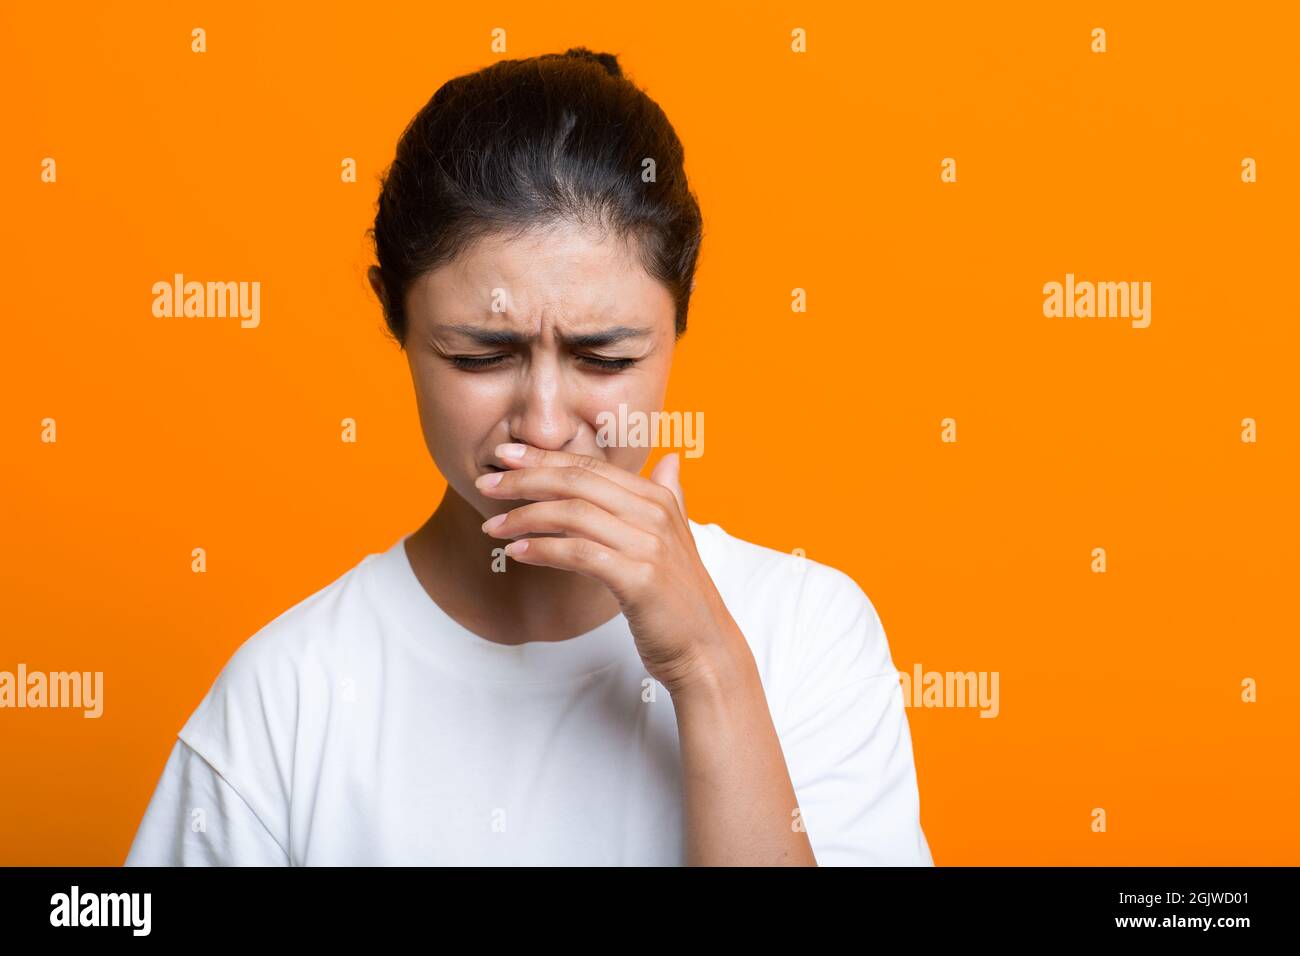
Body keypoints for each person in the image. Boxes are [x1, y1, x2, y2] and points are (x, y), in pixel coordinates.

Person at [124, 47, 933, 867]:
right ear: (394, 316)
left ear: (678, 322)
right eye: (481, 356)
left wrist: (707, 665)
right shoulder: (284, 699)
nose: (544, 427)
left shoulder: (809, 639)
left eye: (605, 359)